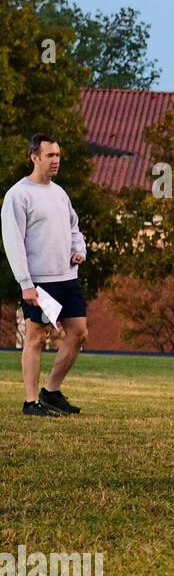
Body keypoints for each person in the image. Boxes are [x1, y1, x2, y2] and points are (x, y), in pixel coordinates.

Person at [2, 134, 88, 417]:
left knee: (78, 333)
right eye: (50, 155)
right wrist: (26, 284)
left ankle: (51, 392)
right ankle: (30, 402)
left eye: (58, 155)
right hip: (38, 281)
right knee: (36, 337)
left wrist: (79, 250)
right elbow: (13, 241)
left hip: (66, 277)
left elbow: (74, 228)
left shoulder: (59, 193)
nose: (56, 161)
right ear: (34, 157)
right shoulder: (18, 195)